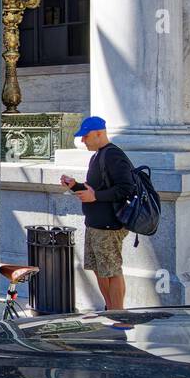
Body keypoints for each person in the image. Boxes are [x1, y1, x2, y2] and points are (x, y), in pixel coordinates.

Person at [60, 115, 138, 310]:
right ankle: (110, 309)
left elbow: (127, 188)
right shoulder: (98, 155)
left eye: (86, 136)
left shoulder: (113, 155)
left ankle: (119, 315)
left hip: (109, 226)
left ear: (98, 134)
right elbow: (94, 189)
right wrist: (75, 185)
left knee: (111, 271)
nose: (83, 140)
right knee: (99, 270)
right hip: (95, 224)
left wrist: (96, 197)